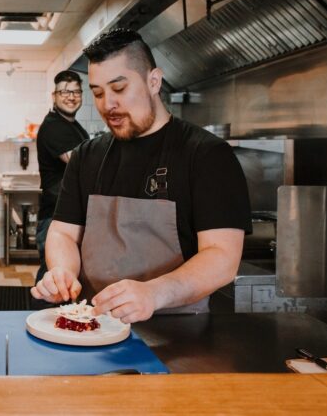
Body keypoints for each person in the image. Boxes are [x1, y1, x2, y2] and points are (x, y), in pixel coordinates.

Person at [31, 28, 251, 323]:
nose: (107, 104)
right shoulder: (87, 156)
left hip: (178, 333)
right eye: (98, 93)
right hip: (94, 327)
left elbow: (222, 256)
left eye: (119, 89)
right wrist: (62, 272)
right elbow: (63, 233)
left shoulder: (206, 155)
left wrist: (153, 293)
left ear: (154, 81)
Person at [35, 70, 89, 283]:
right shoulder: (54, 126)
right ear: (54, 96)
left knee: (60, 279)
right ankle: (37, 316)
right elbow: (78, 162)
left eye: (76, 92)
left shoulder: (72, 126)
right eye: (65, 92)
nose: (71, 96)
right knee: (53, 278)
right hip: (56, 216)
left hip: (67, 214)